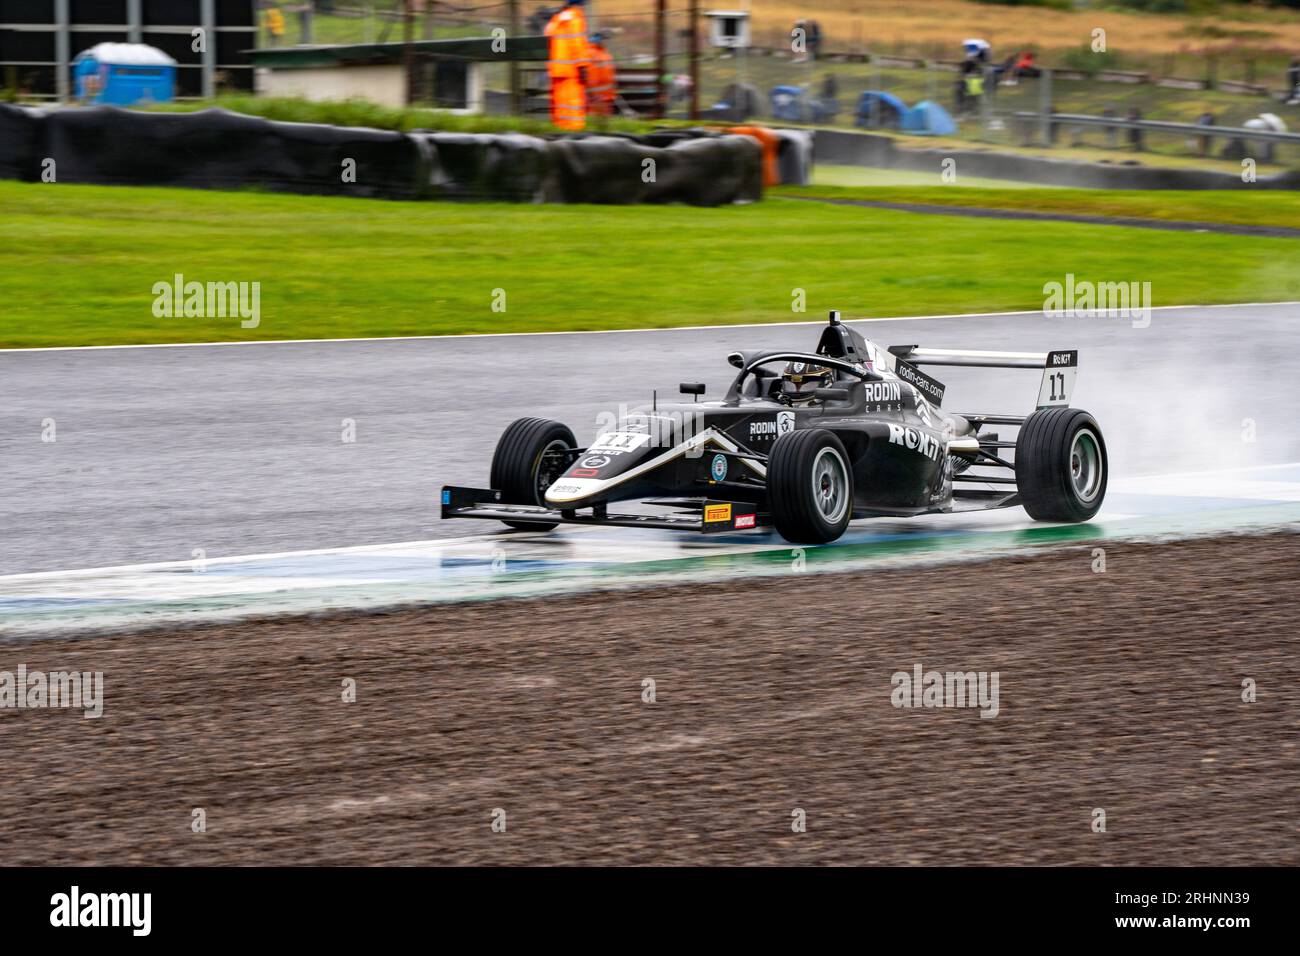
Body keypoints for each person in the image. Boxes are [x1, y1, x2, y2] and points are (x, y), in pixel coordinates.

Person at [544, 0, 590, 130]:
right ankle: (573, 132)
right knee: (573, 105)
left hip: (557, 69)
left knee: (561, 105)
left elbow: (548, 36)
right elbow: (577, 43)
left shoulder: (557, 19)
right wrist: (582, 66)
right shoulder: (575, 18)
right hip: (571, 70)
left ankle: (559, 131)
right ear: (579, 5)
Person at [586, 32, 616, 117]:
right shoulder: (590, 53)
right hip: (596, 97)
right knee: (594, 119)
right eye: (605, 39)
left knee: (605, 120)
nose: (607, 42)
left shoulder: (605, 54)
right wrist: (593, 94)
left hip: (606, 96)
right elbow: (591, 77)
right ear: (598, 40)